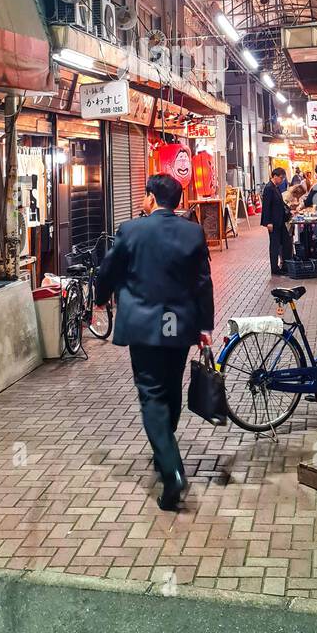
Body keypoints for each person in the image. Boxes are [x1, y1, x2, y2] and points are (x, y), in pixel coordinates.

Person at [95, 173, 214, 512]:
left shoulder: (132, 230)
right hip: (178, 323)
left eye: (144, 194)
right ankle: (165, 449)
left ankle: (172, 470)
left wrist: (100, 298)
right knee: (171, 387)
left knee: (151, 394)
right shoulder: (192, 231)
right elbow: (203, 282)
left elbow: (109, 269)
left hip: (144, 326)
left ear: (150, 197)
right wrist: (205, 325)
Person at [260, 166, 291, 276]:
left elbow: (280, 203)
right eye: (281, 178)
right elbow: (266, 206)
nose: (282, 180)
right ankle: (275, 268)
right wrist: (268, 222)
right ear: (275, 176)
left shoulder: (275, 187)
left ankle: (286, 265)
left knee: (286, 243)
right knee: (275, 245)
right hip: (273, 222)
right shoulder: (269, 188)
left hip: (280, 221)